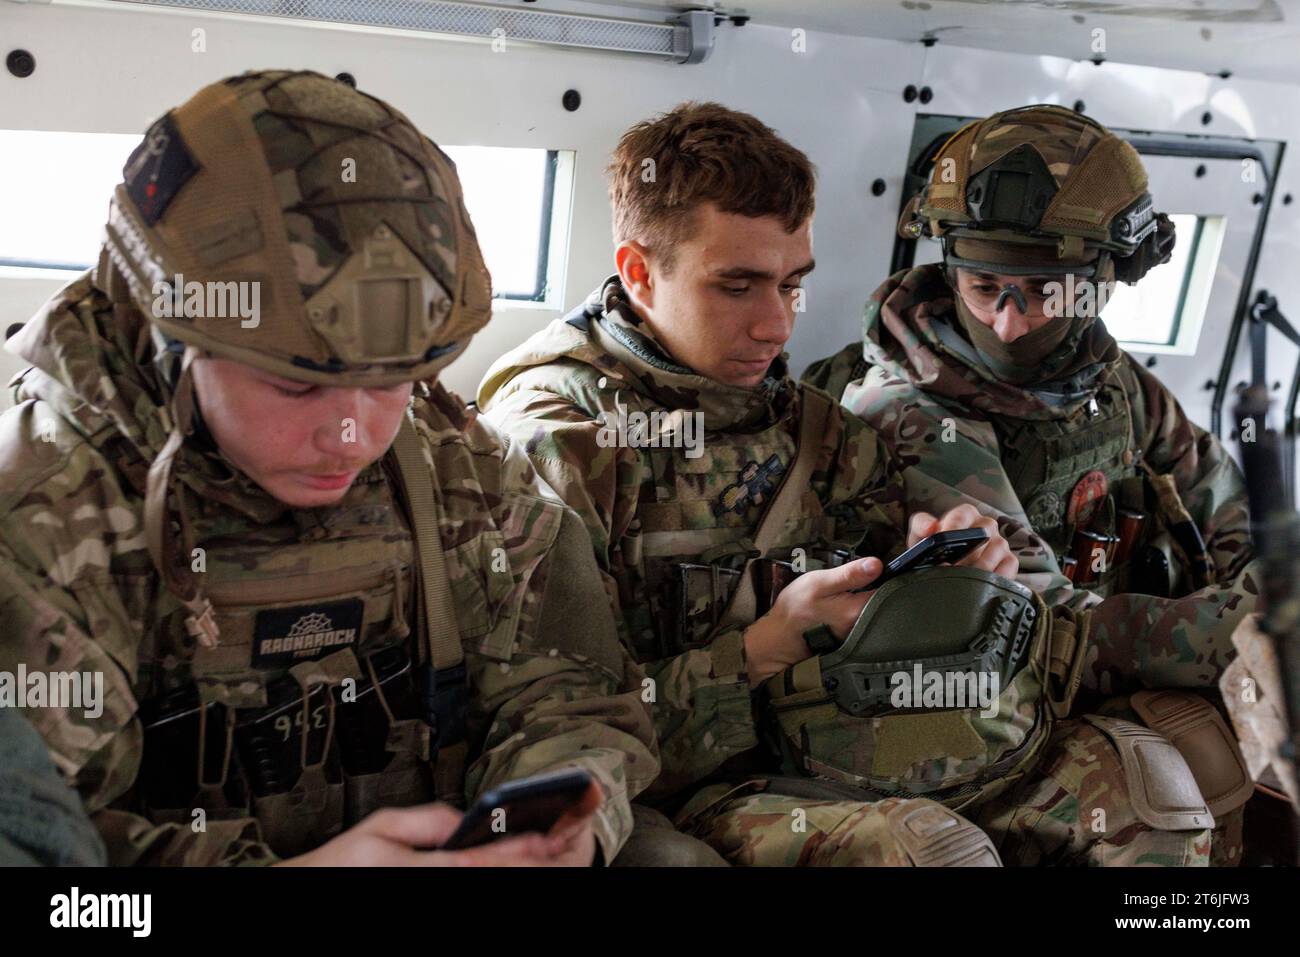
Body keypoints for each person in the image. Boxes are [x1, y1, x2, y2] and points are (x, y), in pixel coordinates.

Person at [0, 69, 658, 866]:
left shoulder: (450, 462)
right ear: (173, 336)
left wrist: (560, 823)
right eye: (297, 384)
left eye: (390, 382)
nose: (352, 433)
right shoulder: (42, 508)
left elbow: (574, 692)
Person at [478, 102, 1018, 866]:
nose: (778, 324)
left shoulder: (820, 431)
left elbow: (897, 594)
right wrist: (764, 647)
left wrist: (951, 573)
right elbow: (553, 735)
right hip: (661, 794)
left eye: (792, 285)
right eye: (738, 287)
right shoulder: (560, 440)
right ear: (639, 273)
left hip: (836, 747)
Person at [805, 104, 1257, 864]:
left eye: (1045, 293)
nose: (1009, 323)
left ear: (1103, 283)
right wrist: (1232, 632)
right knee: (1169, 815)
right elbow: (1045, 623)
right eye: (984, 287)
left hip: (1089, 682)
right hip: (977, 712)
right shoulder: (909, 414)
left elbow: (1228, 507)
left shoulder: (1112, 386)